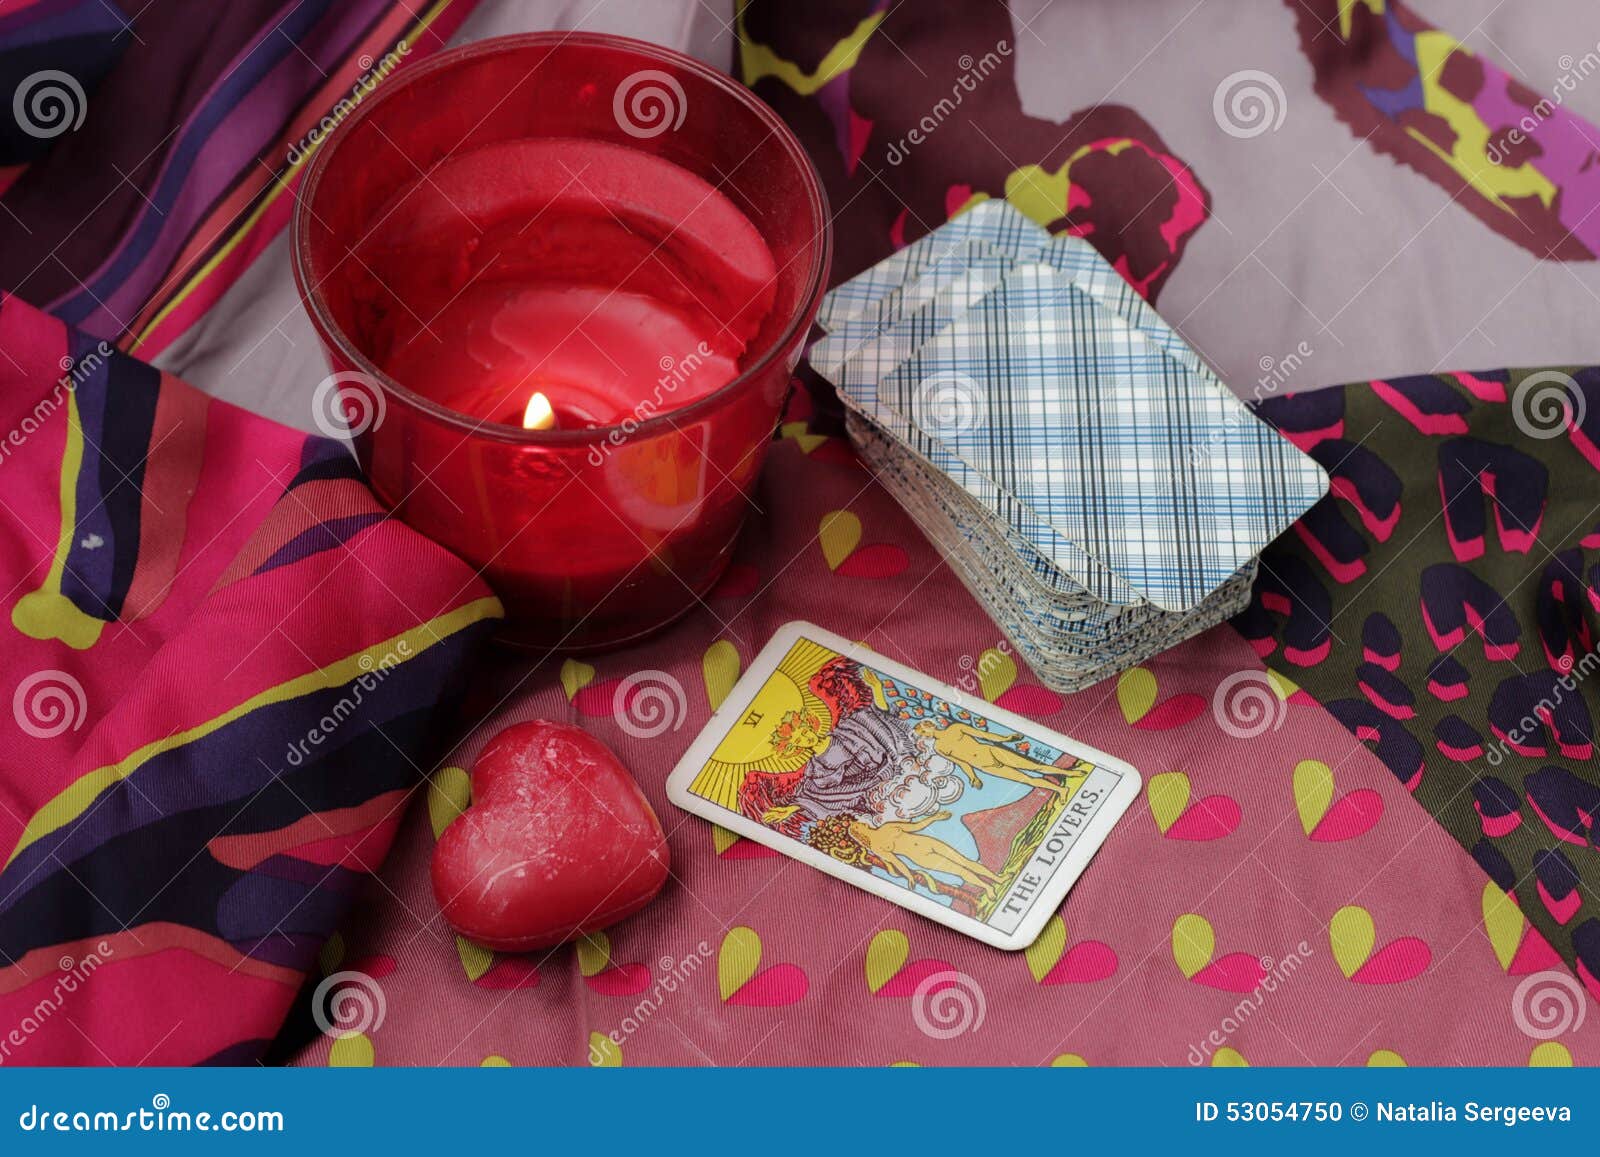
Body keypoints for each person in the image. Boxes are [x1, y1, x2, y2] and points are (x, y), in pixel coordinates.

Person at [911, 718, 1082, 798]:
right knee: (1027, 779)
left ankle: (1069, 773)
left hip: (990, 752)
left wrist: (1006, 739)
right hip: (984, 766)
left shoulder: (956, 728)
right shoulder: (939, 747)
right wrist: (973, 777)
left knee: (1034, 767)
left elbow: (983, 735)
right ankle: (1061, 790)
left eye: (924, 731)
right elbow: (962, 763)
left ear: (930, 725)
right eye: (922, 735)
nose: (925, 735)